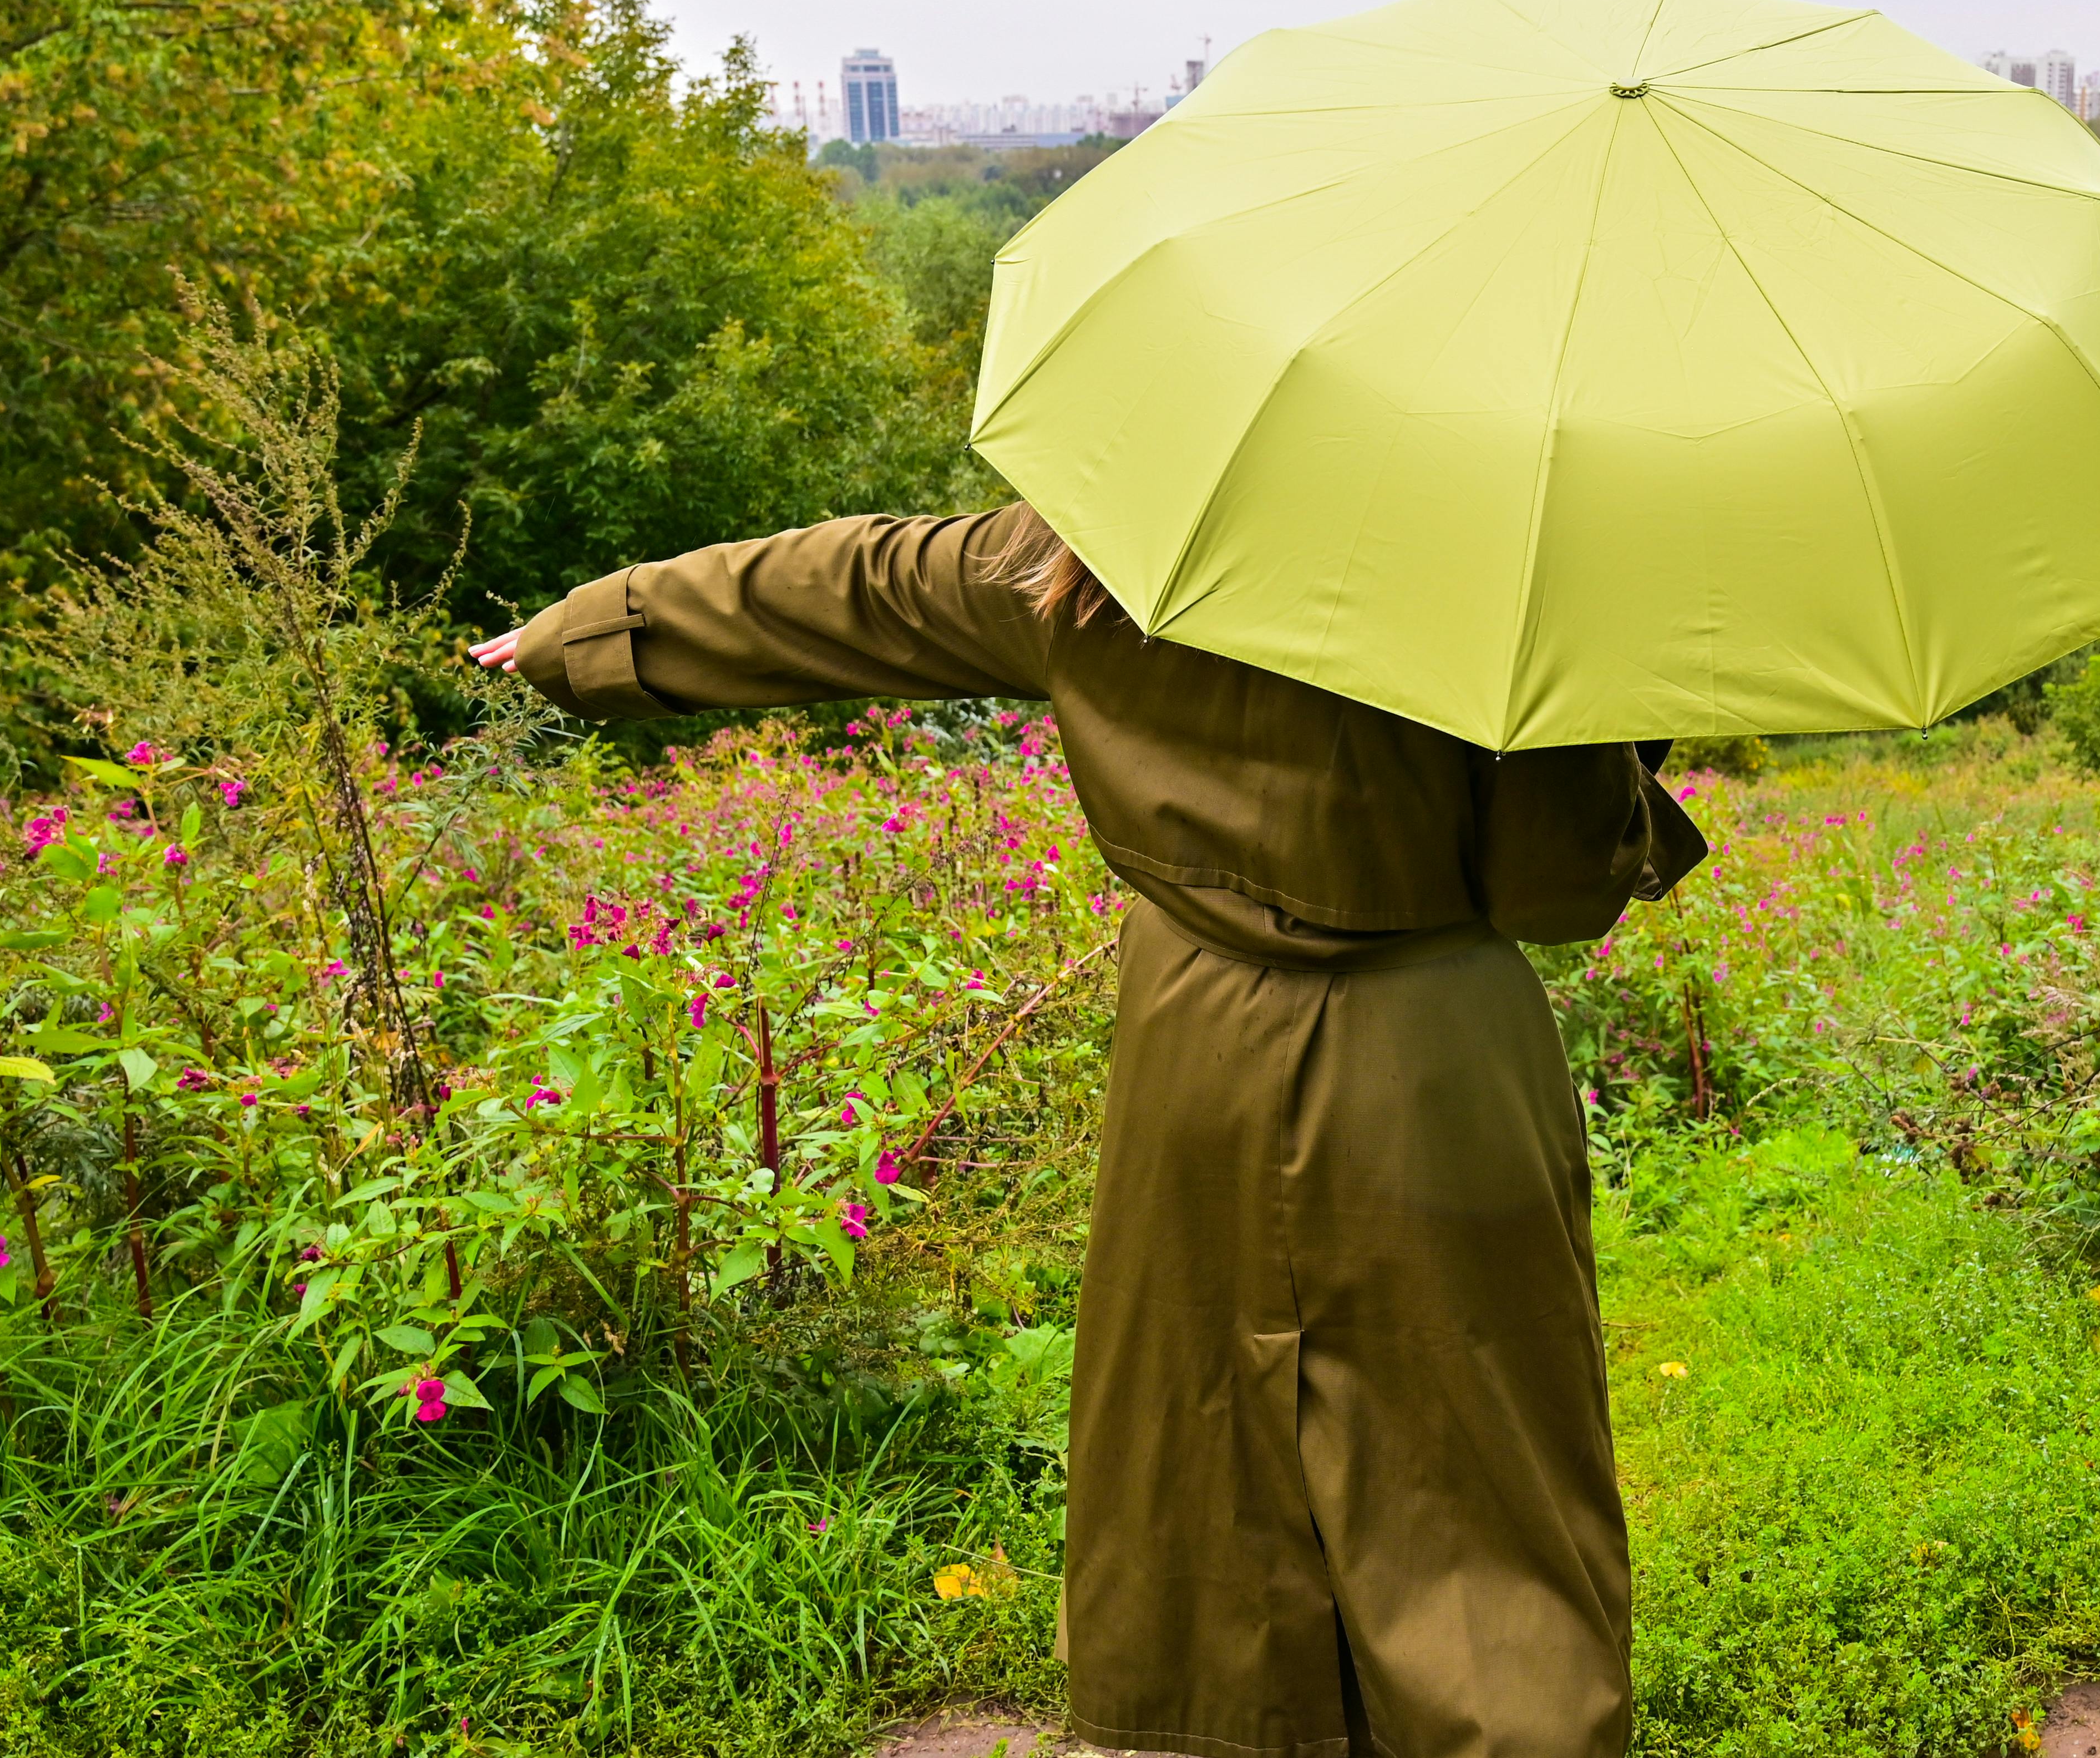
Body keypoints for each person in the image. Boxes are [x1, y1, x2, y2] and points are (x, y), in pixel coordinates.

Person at [473, 501, 1703, 1758]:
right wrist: (1616, 734)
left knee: (1207, 1419)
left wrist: (598, 630)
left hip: (1197, 1039)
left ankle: (1249, 1719)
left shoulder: (1115, 543)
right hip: (1435, 1066)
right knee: (1473, 1450)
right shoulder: (1503, 581)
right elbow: (1552, 885)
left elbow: (857, 582)